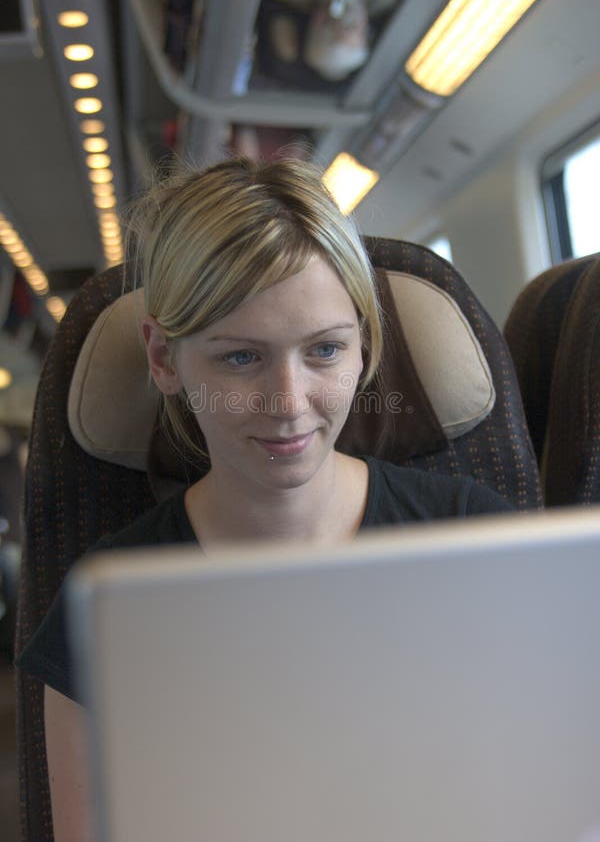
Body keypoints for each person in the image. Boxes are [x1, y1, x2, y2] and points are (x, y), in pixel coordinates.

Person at [17, 156, 512, 842]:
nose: (289, 403)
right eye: (241, 357)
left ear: (365, 348)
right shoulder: (103, 606)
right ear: (163, 359)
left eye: (324, 351)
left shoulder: (479, 543)